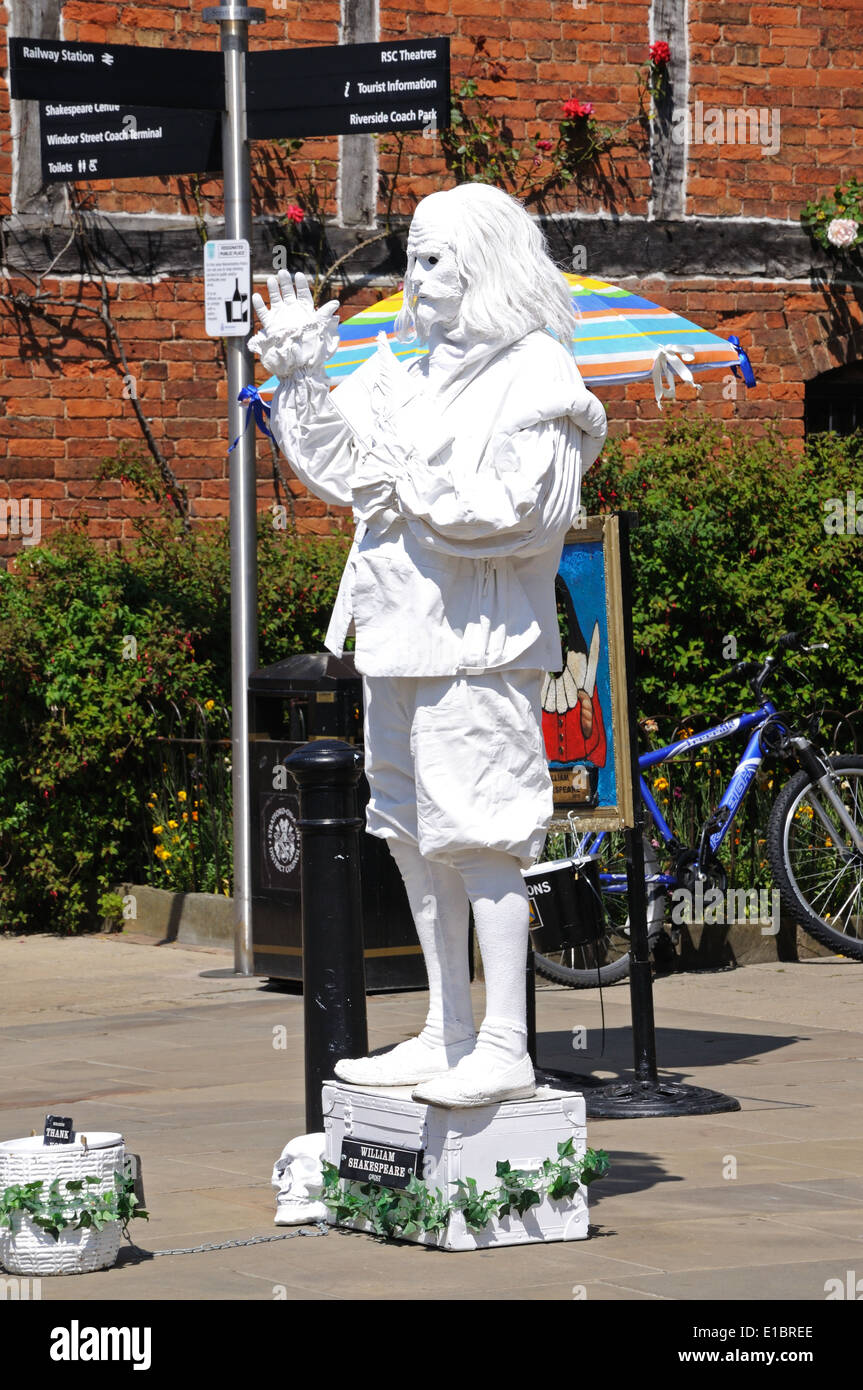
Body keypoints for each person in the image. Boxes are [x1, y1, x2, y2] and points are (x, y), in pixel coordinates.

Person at [249, 182, 608, 1107]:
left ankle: (504, 1039)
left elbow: (522, 515)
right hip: (396, 637)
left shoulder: (537, 374)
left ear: (483, 263)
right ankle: (448, 1026)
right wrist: (302, 377)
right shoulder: (402, 367)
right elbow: (334, 466)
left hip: (479, 646)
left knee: (484, 832)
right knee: (410, 833)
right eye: (410, 256)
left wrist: (410, 478)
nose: (416, 276)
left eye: (435, 258)